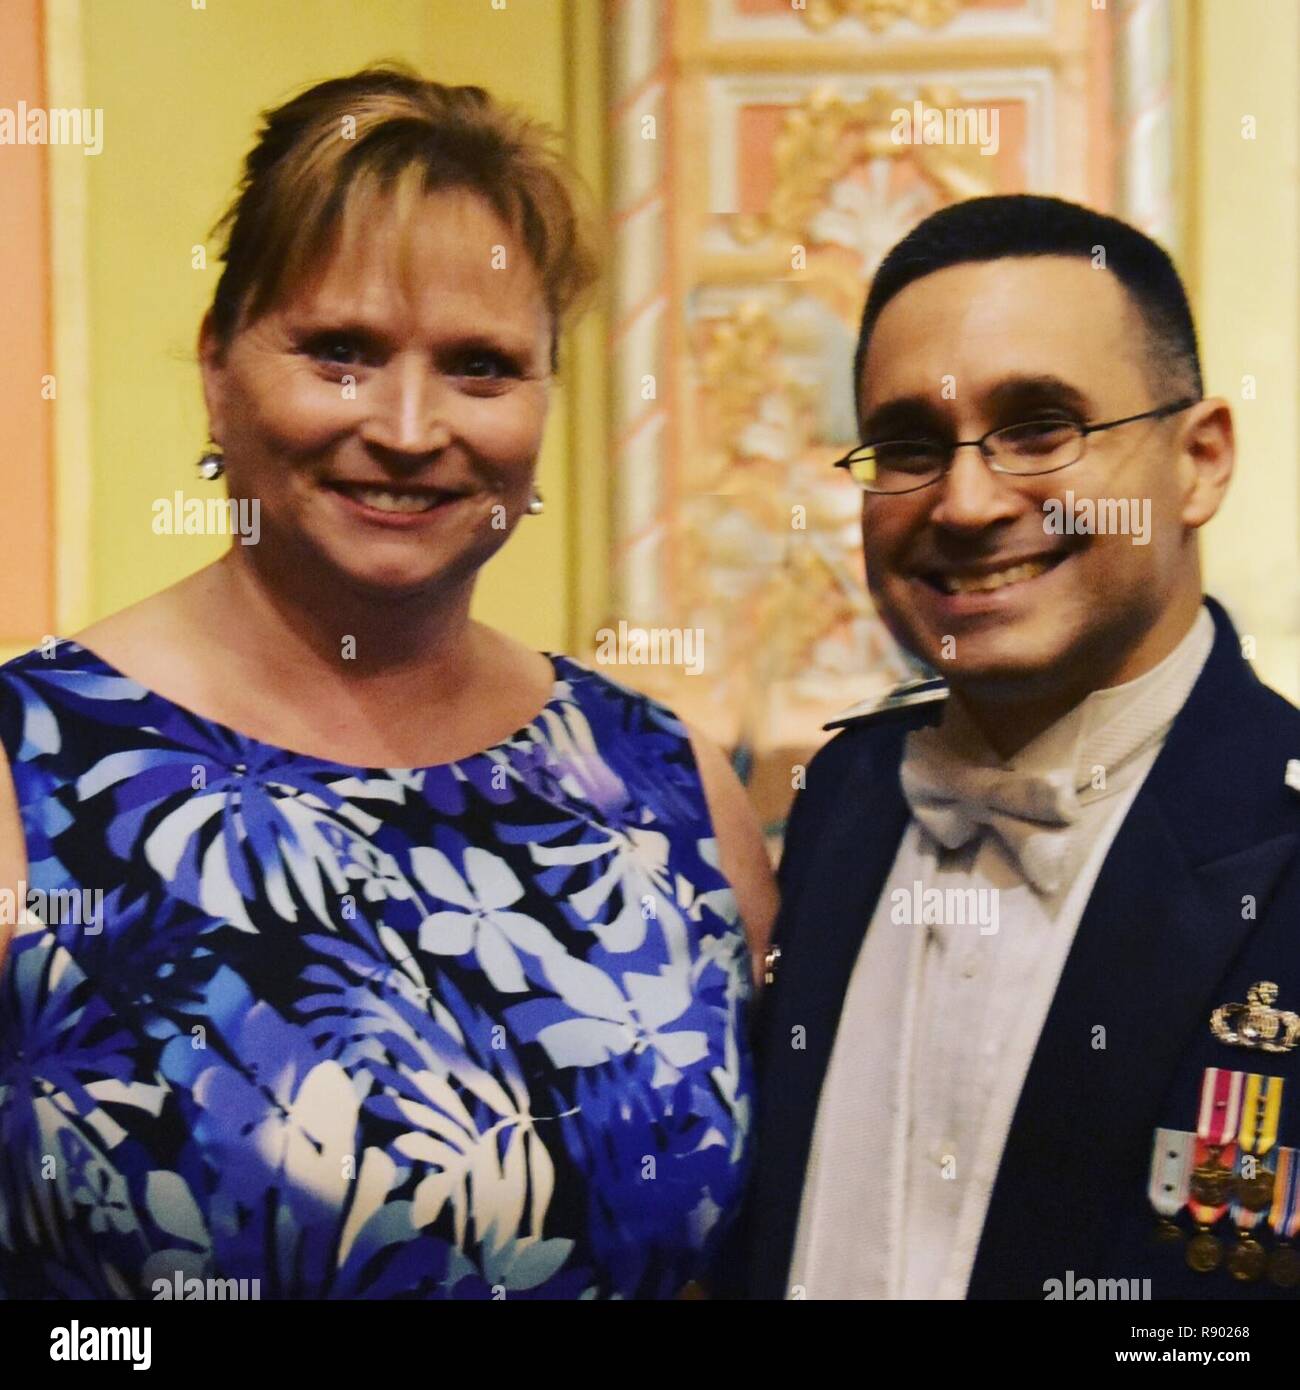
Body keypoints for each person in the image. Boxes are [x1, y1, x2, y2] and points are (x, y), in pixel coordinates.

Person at [0, 66, 775, 1300]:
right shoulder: (24, 770)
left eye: (481, 367)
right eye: (343, 352)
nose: (411, 428)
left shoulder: (667, 788)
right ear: (217, 366)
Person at [745, 194, 1300, 1300]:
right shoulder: (841, 796)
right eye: (907, 444)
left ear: (1198, 460)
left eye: (1040, 427)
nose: (963, 500)